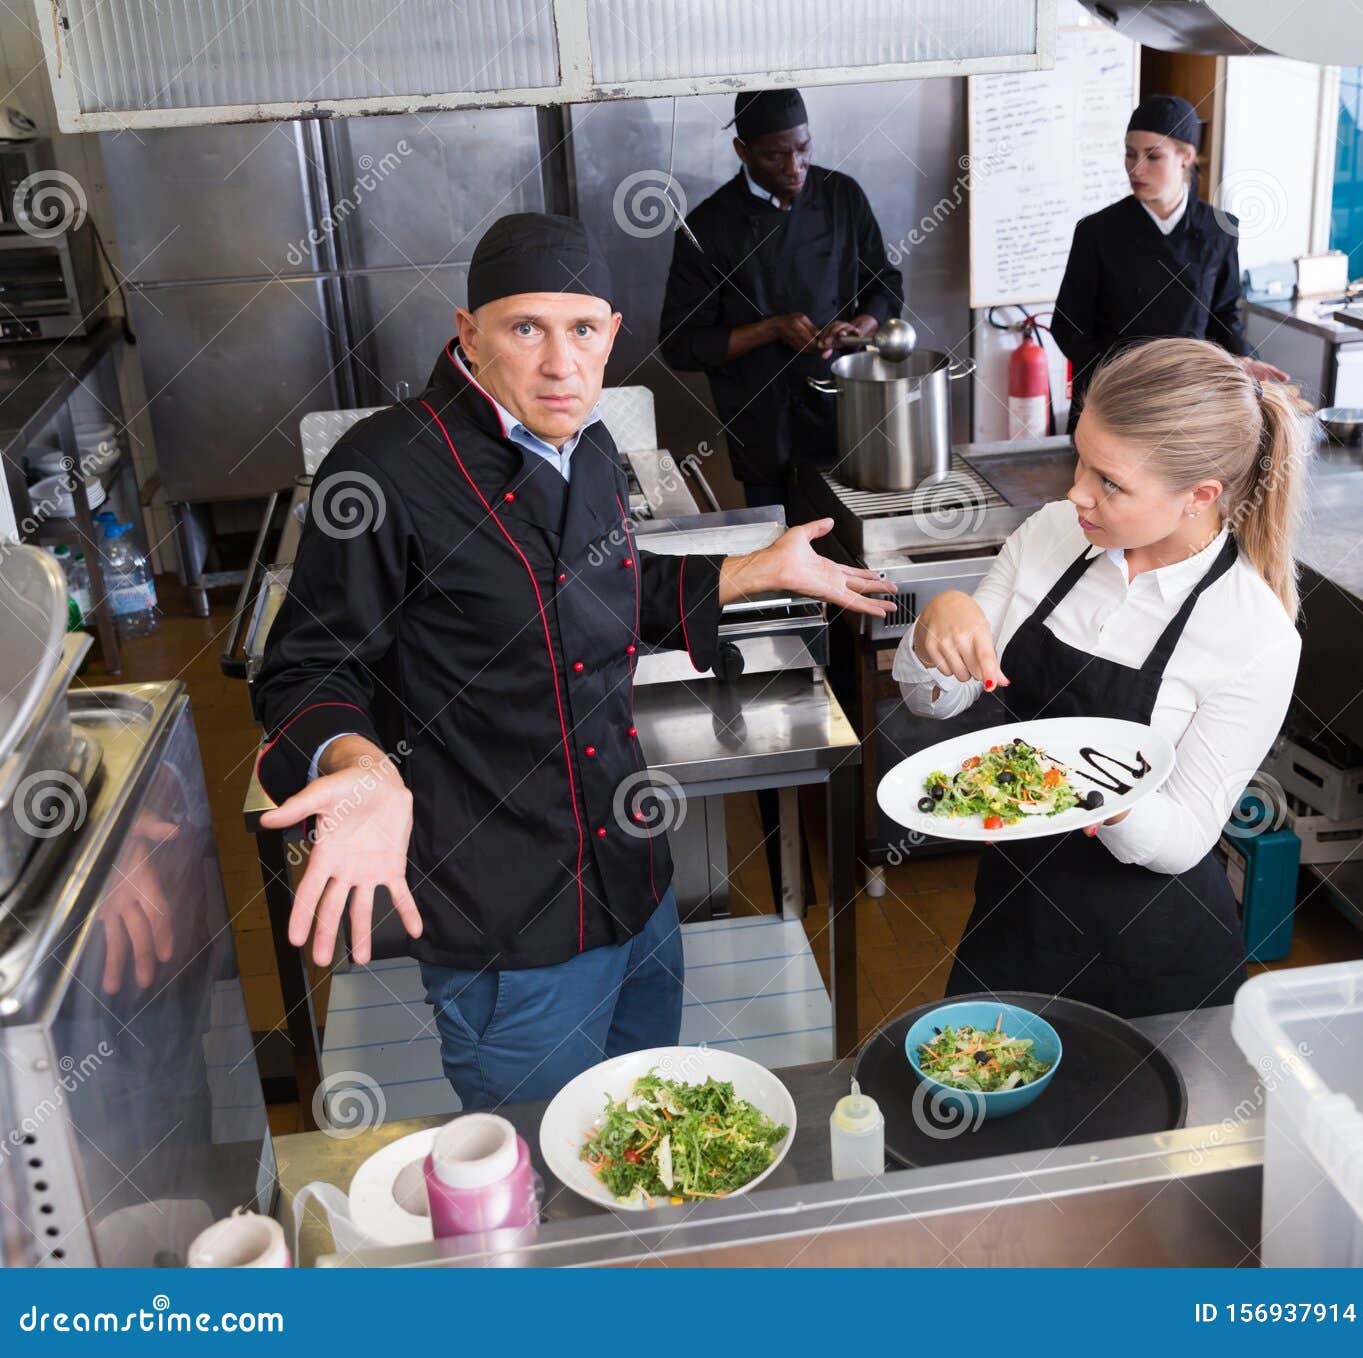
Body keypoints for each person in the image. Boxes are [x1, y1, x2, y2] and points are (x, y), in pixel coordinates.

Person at [253, 212, 894, 1110]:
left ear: (611, 336)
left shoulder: (586, 447)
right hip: (508, 922)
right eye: (526, 330)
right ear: (468, 334)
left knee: (642, 1137)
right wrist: (359, 766)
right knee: (542, 1197)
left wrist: (752, 570)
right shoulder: (384, 470)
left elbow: (597, 594)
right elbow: (306, 669)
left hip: (635, 881)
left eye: (582, 330)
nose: (561, 364)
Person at [893, 338, 1306, 1017]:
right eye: (1079, 459)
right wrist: (937, 622)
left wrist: (1090, 791)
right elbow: (938, 701)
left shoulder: (1254, 635)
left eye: (1110, 483)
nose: (1076, 493)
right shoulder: (1054, 533)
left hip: (1153, 960)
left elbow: (1183, 838)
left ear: (1199, 497)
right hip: (1013, 909)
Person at [658, 87, 904, 512]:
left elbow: (884, 284)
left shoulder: (842, 197)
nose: (795, 167)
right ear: (742, 150)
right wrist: (771, 328)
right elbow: (681, 345)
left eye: (803, 149)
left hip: (845, 417)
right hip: (762, 430)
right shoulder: (708, 226)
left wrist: (861, 326)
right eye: (775, 156)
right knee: (780, 552)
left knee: (848, 545)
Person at [1050, 95, 1288, 428]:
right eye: (1130, 154)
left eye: (1153, 156)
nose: (1136, 168)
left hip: (1186, 402)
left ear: (1186, 157)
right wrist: (1117, 377)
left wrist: (1243, 362)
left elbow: (1223, 317)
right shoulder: (1098, 231)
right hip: (1113, 401)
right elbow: (1067, 325)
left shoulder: (1219, 230)